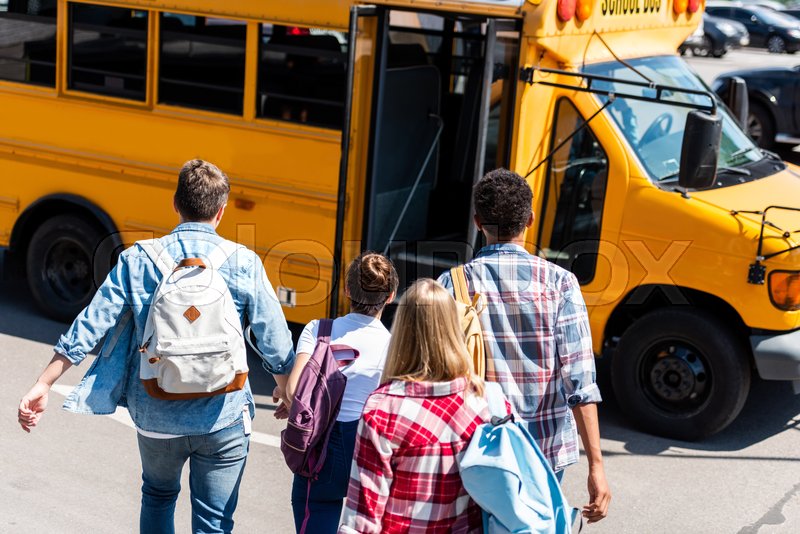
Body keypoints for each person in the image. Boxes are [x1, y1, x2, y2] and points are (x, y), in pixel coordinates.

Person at [17, 159, 295, 534]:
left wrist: (44, 383)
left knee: (159, 497)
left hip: (156, 409)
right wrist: (286, 389)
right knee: (213, 521)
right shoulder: (244, 262)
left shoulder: (139, 259)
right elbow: (274, 340)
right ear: (222, 210)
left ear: (175, 204)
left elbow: (92, 323)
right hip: (223, 414)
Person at [437, 168, 611, 523]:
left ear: (477, 221)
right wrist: (596, 466)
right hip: (541, 453)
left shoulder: (450, 283)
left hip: (472, 449)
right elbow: (579, 380)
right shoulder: (561, 283)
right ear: (530, 219)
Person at [338, 278, 511, 534]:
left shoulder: (383, 411)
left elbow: (363, 519)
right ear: (453, 331)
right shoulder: (491, 403)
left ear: (402, 332)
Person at [274, 252, 398, 534]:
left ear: (346, 290)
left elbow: (293, 390)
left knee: (315, 513)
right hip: (369, 448)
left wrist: (297, 400)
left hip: (322, 448)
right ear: (390, 296)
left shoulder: (318, 330)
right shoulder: (394, 344)